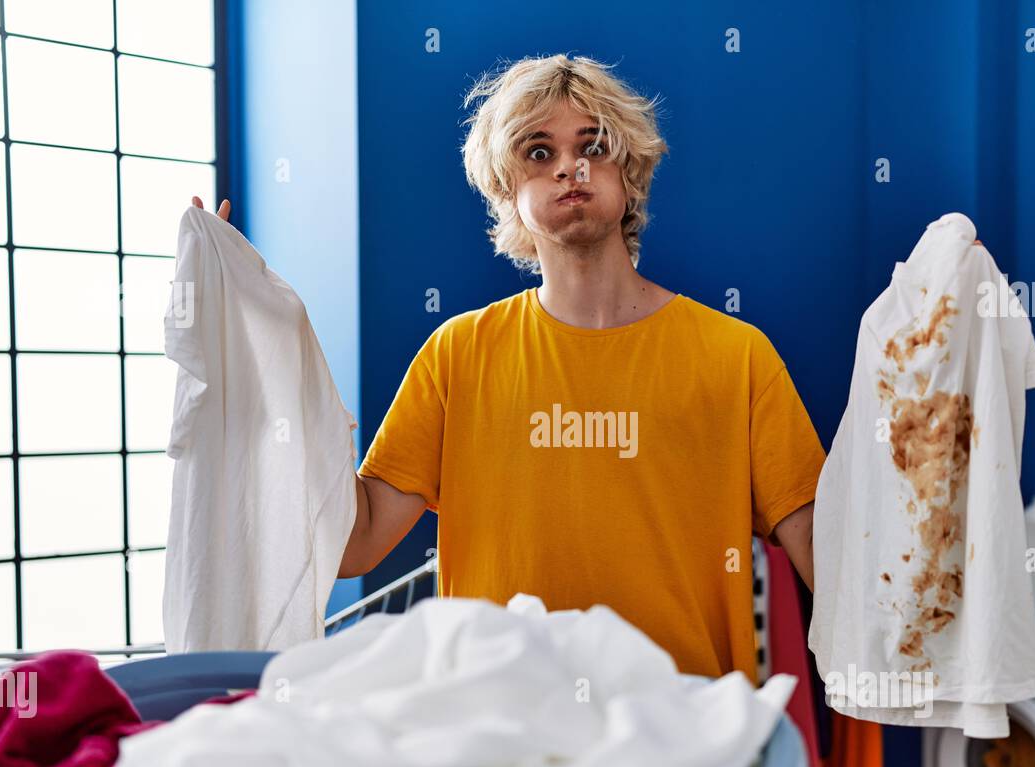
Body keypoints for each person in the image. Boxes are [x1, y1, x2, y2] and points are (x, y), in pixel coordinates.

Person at [194, 54, 828, 681]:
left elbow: (824, 554)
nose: (569, 167)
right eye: (538, 152)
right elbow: (355, 544)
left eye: (594, 145)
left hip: (684, 741)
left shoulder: (737, 355)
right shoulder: (458, 354)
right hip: (499, 738)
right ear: (506, 189)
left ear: (630, 172)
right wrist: (255, 335)